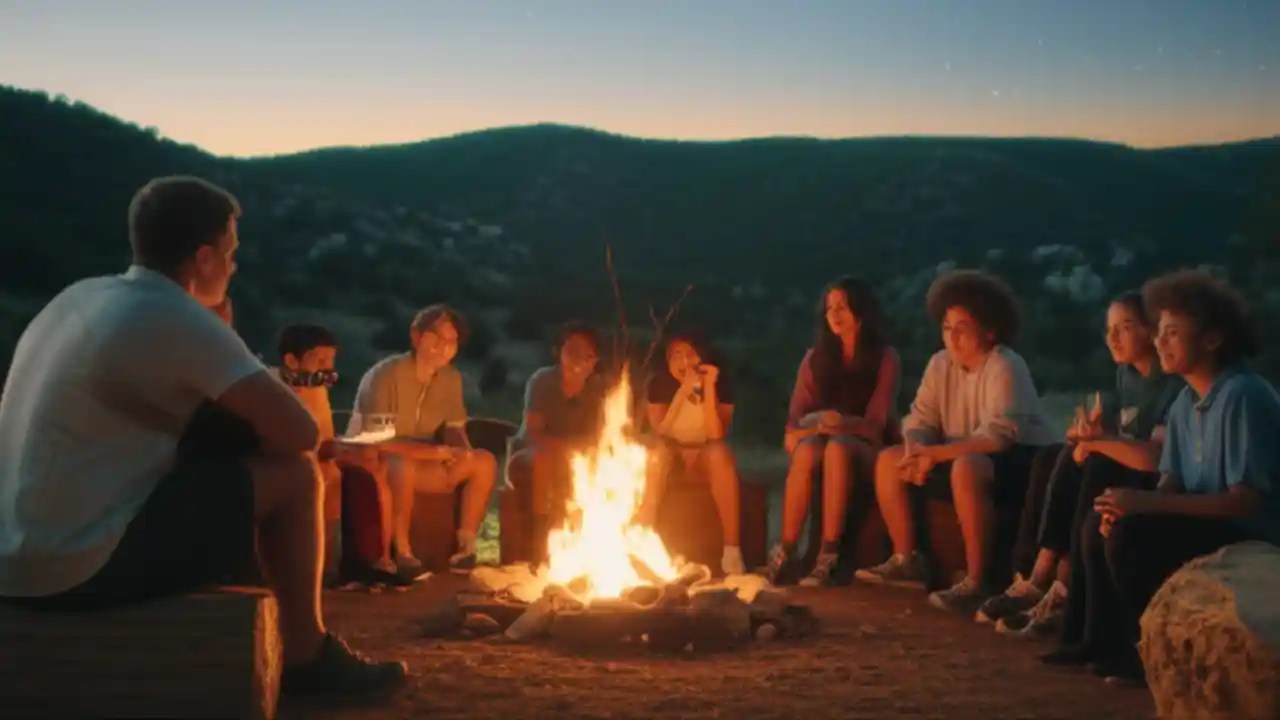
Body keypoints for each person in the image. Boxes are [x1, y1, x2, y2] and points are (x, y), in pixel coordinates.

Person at [0, 176, 406, 697]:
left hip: (16, 553)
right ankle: (308, 657)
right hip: (70, 566)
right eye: (231, 253)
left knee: (217, 462)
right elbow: (300, 432)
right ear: (205, 258)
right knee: (296, 475)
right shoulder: (171, 314)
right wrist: (221, 331)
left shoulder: (83, 296)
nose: (235, 266)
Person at [1044, 269, 1280, 686]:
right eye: (1160, 332)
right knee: (1105, 525)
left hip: (1250, 534)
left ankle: (1149, 650)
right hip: (1209, 520)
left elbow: (1245, 502)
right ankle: (1106, 643)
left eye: (1172, 332)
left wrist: (1146, 505)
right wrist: (1127, 505)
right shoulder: (1186, 403)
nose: (1159, 340)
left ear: (1212, 338)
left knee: (1132, 535)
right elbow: (1171, 479)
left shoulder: (1242, 395)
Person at [980, 292, 1183, 638]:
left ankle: (1055, 583)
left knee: (1092, 460)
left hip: (1159, 482)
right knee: (1052, 456)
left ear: (1151, 331)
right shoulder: (1127, 375)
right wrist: (1094, 436)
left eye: (1126, 327)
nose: (1113, 338)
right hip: (1132, 464)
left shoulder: (1171, 384)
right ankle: (1031, 577)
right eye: (1109, 329)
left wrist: (1098, 443)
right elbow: (1127, 434)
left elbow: (1155, 456)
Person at [856, 269, 1056, 614]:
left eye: (962, 328)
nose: (952, 337)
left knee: (967, 466)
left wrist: (935, 454)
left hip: (1022, 462)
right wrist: (915, 450)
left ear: (989, 330)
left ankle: (978, 580)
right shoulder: (940, 365)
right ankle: (907, 560)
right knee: (889, 460)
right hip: (958, 453)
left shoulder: (1005, 365)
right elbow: (920, 418)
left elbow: (999, 437)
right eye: (947, 328)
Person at [765, 276, 901, 586]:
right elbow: (795, 422)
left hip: (868, 447)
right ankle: (786, 550)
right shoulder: (815, 359)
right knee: (808, 450)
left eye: (842, 307)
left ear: (861, 311)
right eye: (830, 309)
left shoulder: (885, 358)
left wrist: (839, 422)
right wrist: (810, 428)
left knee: (838, 446)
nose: (835, 315)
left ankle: (830, 553)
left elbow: (876, 423)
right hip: (821, 439)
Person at [351, 304, 498, 574]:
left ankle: (465, 547)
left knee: (484, 461)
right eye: (436, 338)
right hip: (382, 459)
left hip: (428, 457)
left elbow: (454, 426)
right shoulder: (385, 375)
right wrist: (432, 454)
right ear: (417, 336)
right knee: (400, 464)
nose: (443, 347)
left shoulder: (451, 378)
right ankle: (402, 551)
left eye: (451, 341)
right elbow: (376, 441)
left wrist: (460, 451)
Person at [272, 324, 399, 585]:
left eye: (330, 361)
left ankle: (367, 560)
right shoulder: (272, 387)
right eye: (320, 361)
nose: (327, 368)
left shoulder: (317, 390)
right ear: (291, 360)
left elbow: (325, 439)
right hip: (280, 460)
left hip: (315, 457)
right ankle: (317, 566)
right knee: (328, 475)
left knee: (367, 467)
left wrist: (351, 448)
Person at [635, 329, 746, 576]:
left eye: (690, 354)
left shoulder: (721, 384)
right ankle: (641, 536)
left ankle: (732, 552)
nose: (683, 362)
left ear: (702, 358)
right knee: (657, 453)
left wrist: (708, 387)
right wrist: (684, 391)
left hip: (704, 452)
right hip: (672, 451)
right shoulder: (659, 384)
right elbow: (662, 430)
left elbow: (715, 432)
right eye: (676, 355)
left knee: (720, 454)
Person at [507, 322, 606, 562]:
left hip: (579, 456)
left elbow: (603, 435)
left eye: (587, 353)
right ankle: (541, 536)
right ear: (559, 352)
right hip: (533, 451)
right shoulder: (543, 381)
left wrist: (584, 452)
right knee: (544, 458)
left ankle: (593, 542)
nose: (579, 359)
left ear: (595, 359)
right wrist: (566, 448)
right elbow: (534, 431)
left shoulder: (598, 388)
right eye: (571, 350)